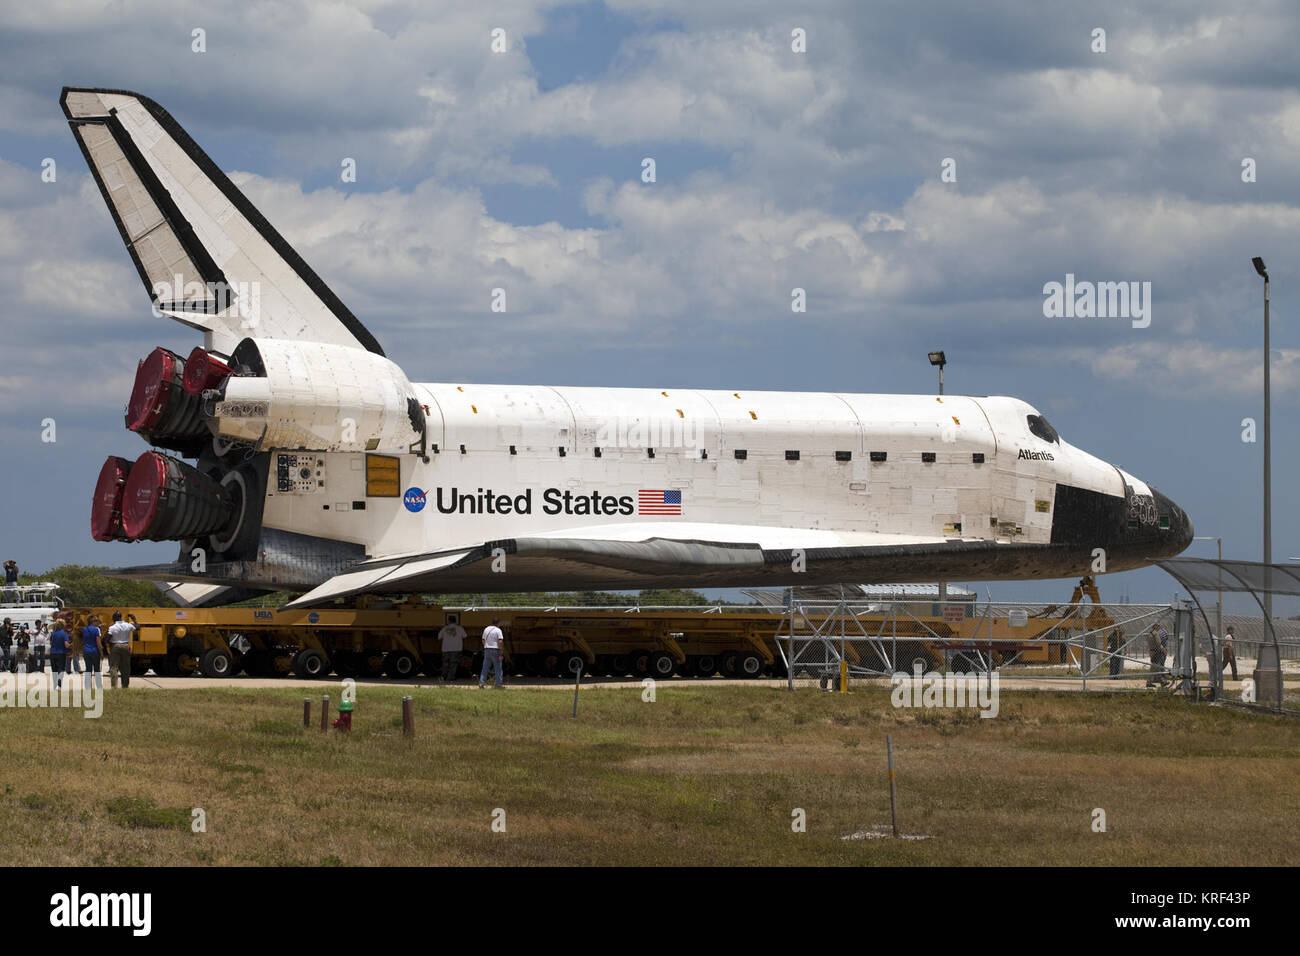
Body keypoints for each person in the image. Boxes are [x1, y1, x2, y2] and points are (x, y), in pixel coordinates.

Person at [106, 612, 137, 689]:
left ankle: (114, 686)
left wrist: (108, 644)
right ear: (120, 617)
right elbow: (137, 627)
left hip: (115, 646)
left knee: (114, 667)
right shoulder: (128, 625)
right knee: (125, 667)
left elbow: (107, 638)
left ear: (114, 618)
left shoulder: (112, 627)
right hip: (126, 646)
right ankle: (125, 686)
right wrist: (134, 619)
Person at [438, 613, 466, 682]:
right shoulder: (460, 628)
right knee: (453, 664)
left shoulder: (444, 628)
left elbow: (439, 637)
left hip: (446, 648)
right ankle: (450, 678)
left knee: (445, 663)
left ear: (448, 621)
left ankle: (443, 677)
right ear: (455, 620)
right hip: (456, 648)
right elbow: (465, 636)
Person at [479, 618, 505, 689]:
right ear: (498, 623)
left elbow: (483, 640)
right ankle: (498, 685)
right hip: (495, 650)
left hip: (487, 650)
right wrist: (501, 651)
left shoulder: (486, 629)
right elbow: (500, 641)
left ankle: (481, 684)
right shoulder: (498, 630)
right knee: (498, 668)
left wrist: (486, 646)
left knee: (485, 668)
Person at [81, 616, 104, 690]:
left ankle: (87, 687)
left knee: (88, 669)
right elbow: (98, 642)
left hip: (86, 651)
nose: (97, 622)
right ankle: (99, 686)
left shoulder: (84, 629)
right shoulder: (96, 629)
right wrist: (101, 652)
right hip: (94, 651)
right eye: (96, 621)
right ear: (92, 621)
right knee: (97, 670)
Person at [50, 620, 70, 691]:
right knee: (60, 670)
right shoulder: (64, 634)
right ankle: (59, 685)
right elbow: (66, 645)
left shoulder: (53, 633)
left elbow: (51, 643)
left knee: (54, 670)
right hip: (61, 653)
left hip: (52, 653)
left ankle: (54, 685)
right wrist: (70, 646)